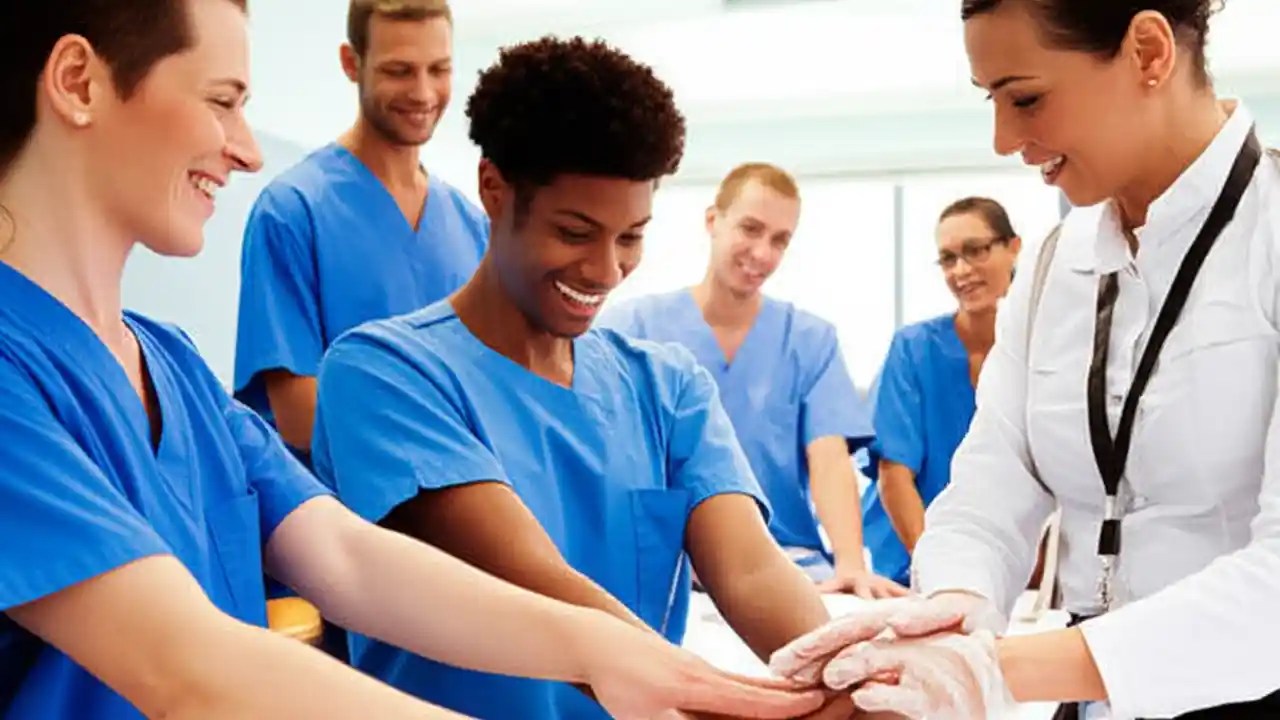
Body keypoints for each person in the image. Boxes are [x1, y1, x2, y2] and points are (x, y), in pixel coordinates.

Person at [0, 2, 837, 718]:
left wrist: (608, 651)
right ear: (78, 82)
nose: (249, 149)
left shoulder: (173, 368)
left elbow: (345, 556)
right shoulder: (15, 370)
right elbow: (186, 667)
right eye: (223, 101)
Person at [313, 37, 865, 720]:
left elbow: (751, 570)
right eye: (575, 232)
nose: (606, 271)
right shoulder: (385, 376)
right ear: (494, 190)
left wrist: (847, 687)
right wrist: (746, 707)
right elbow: (539, 587)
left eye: (631, 236)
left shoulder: (667, 389)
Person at [767, 1, 1280, 718]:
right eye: (993, 102)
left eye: (1026, 98)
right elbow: (990, 487)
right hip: (1093, 701)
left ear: (1149, 52)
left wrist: (996, 670)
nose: (1005, 139)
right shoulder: (1054, 264)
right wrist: (948, 622)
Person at [599, 162, 903, 598]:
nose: (763, 253)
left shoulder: (809, 339)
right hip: (667, 561)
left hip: (784, 558)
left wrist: (851, 564)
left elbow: (829, 458)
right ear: (712, 221)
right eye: (750, 229)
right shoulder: (632, 329)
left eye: (780, 240)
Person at [233, 0, 487, 463]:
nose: (423, 92)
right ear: (352, 64)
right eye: (400, 71)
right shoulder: (293, 211)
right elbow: (299, 416)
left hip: (457, 522)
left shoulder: (473, 227)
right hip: (342, 522)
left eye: (439, 69)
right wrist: (448, 449)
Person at [859, 196, 1021, 587]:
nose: (961, 271)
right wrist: (937, 572)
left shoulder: (1044, 348)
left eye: (975, 251)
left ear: (1013, 248)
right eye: (948, 259)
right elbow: (894, 474)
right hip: (912, 558)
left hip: (1014, 560)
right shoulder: (914, 349)